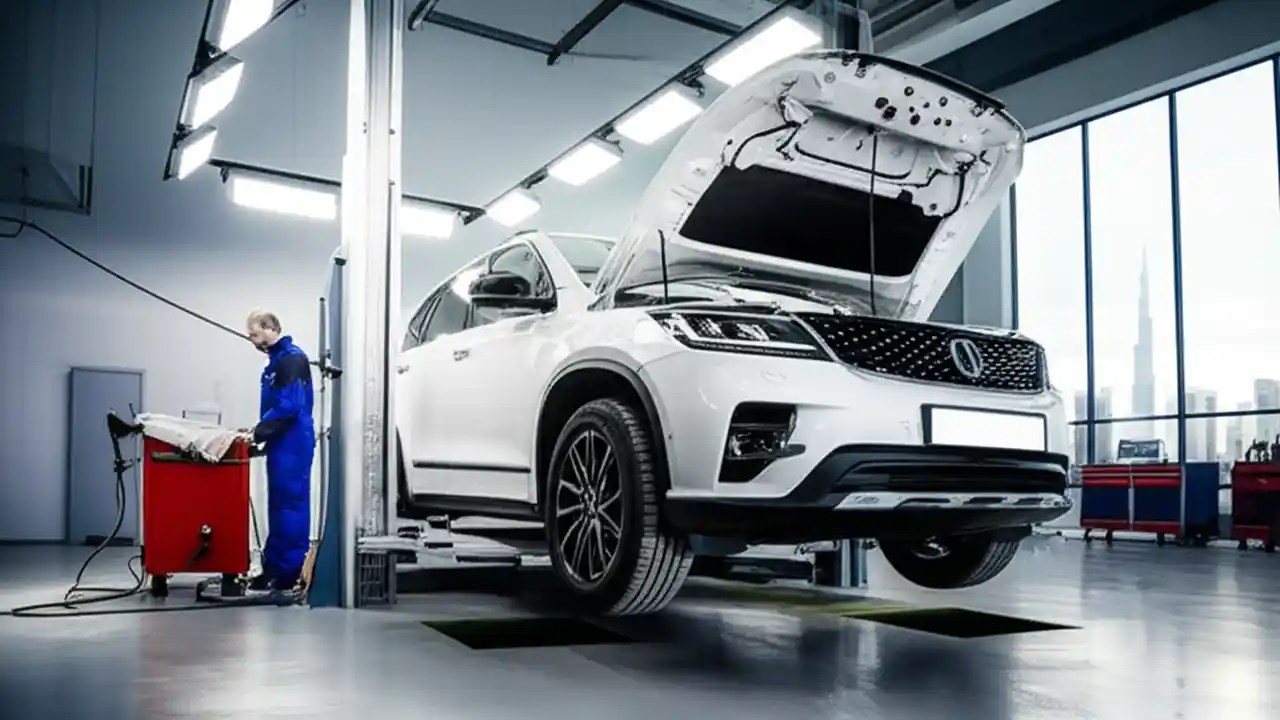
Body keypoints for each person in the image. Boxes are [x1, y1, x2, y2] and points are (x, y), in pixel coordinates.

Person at [243, 309, 315, 592]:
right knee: (278, 506)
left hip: (293, 441)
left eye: (255, 334)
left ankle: (288, 572)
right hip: (281, 442)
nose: (252, 340)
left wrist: (258, 432)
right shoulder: (275, 363)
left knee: (290, 506)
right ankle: (274, 567)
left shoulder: (292, 359)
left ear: (271, 328)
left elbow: (289, 407)